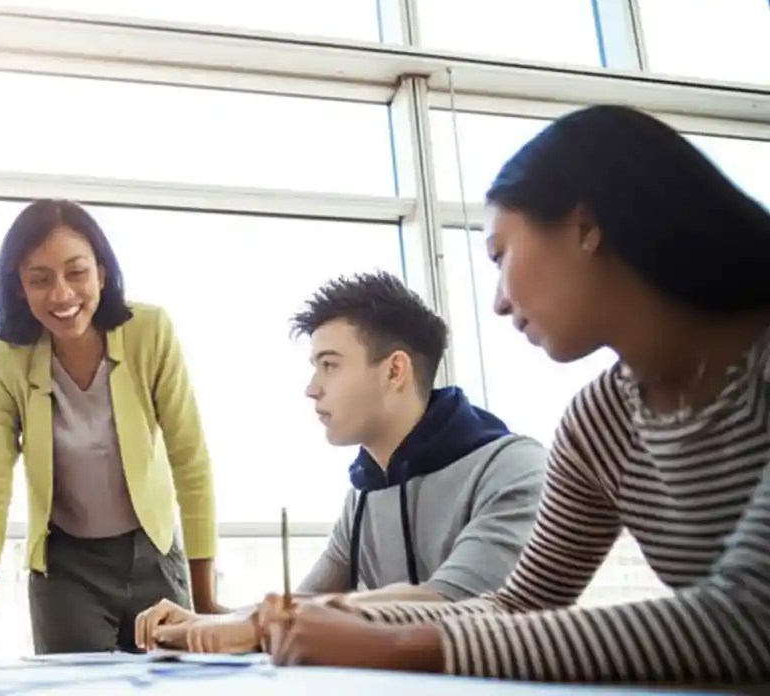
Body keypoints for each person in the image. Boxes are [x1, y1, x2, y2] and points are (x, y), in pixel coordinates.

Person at [253, 105, 770, 686]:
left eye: (501, 255)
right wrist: (336, 620)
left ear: (585, 227)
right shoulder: (601, 423)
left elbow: (752, 615)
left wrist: (393, 641)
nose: (498, 301)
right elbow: (517, 605)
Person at [135, 272, 548, 654]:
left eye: (329, 365)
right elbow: (304, 602)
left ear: (395, 370)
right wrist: (205, 622)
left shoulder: (512, 467)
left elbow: (457, 599)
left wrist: (261, 625)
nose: (312, 389)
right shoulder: (365, 491)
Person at [0, 199, 219, 661]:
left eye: (76, 272)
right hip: (66, 572)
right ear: (20, 288)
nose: (62, 295)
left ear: (102, 275)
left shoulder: (150, 330)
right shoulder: (7, 356)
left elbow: (190, 460)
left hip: (153, 554)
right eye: (39, 279)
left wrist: (205, 604)